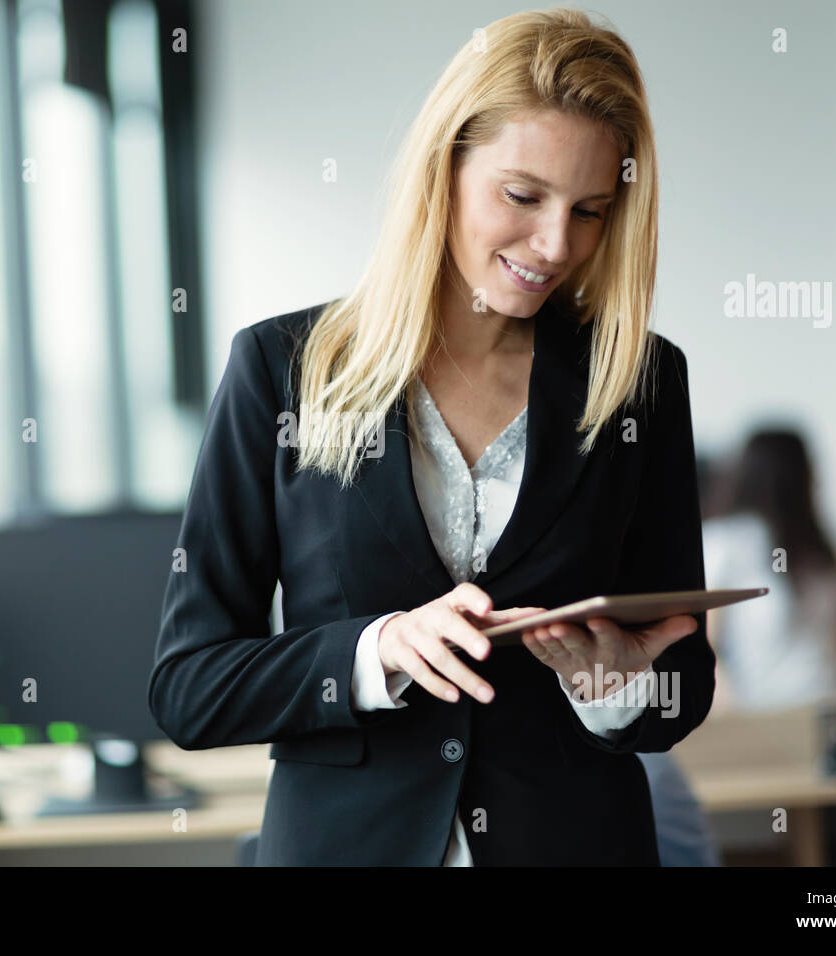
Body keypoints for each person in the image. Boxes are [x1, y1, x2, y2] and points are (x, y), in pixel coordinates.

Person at [148, 8, 716, 866]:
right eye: (522, 196)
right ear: (442, 166)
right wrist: (373, 652)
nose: (555, 243)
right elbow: (189, 687)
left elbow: (685, 684)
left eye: (591, 211)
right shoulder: (282, 369)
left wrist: (612, 682)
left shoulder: (638, 379)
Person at [701, 429, 836, 712]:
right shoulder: (728, 544)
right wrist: (728, 709)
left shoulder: (822, 552)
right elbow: (704, 645)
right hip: (764, 716)